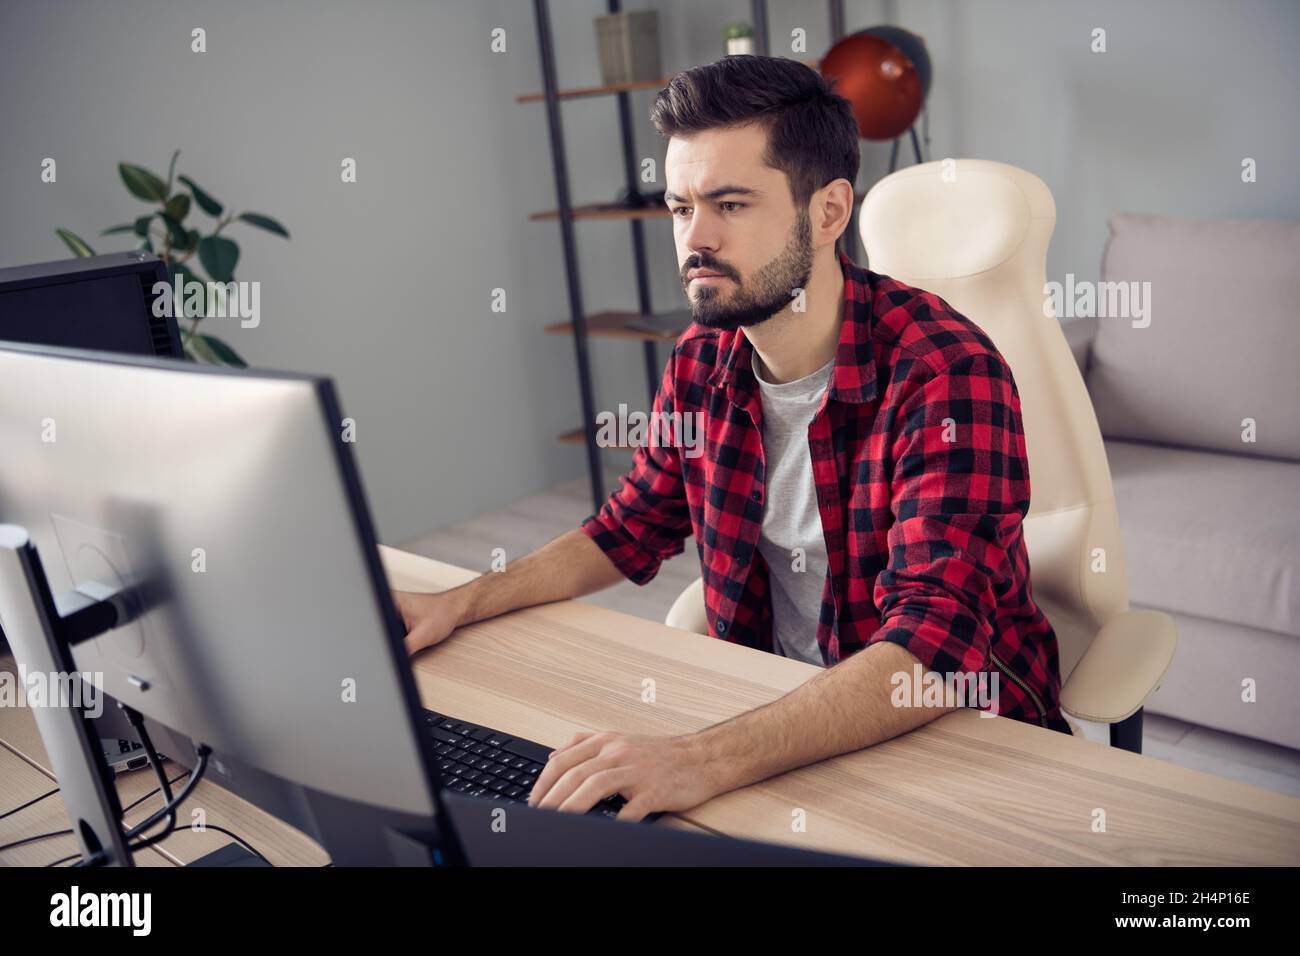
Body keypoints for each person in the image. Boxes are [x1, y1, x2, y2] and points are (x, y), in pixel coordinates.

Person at [395, 55, 1070, 822]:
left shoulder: (946, 374)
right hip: (777, 720)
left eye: (731, 204)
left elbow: (934, 649)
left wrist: (698, 758)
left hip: (959, 740)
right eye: (681, 207)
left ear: (828, 211)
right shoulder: (700, 359)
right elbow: (629, 528)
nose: (696, 240)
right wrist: (459, 602)